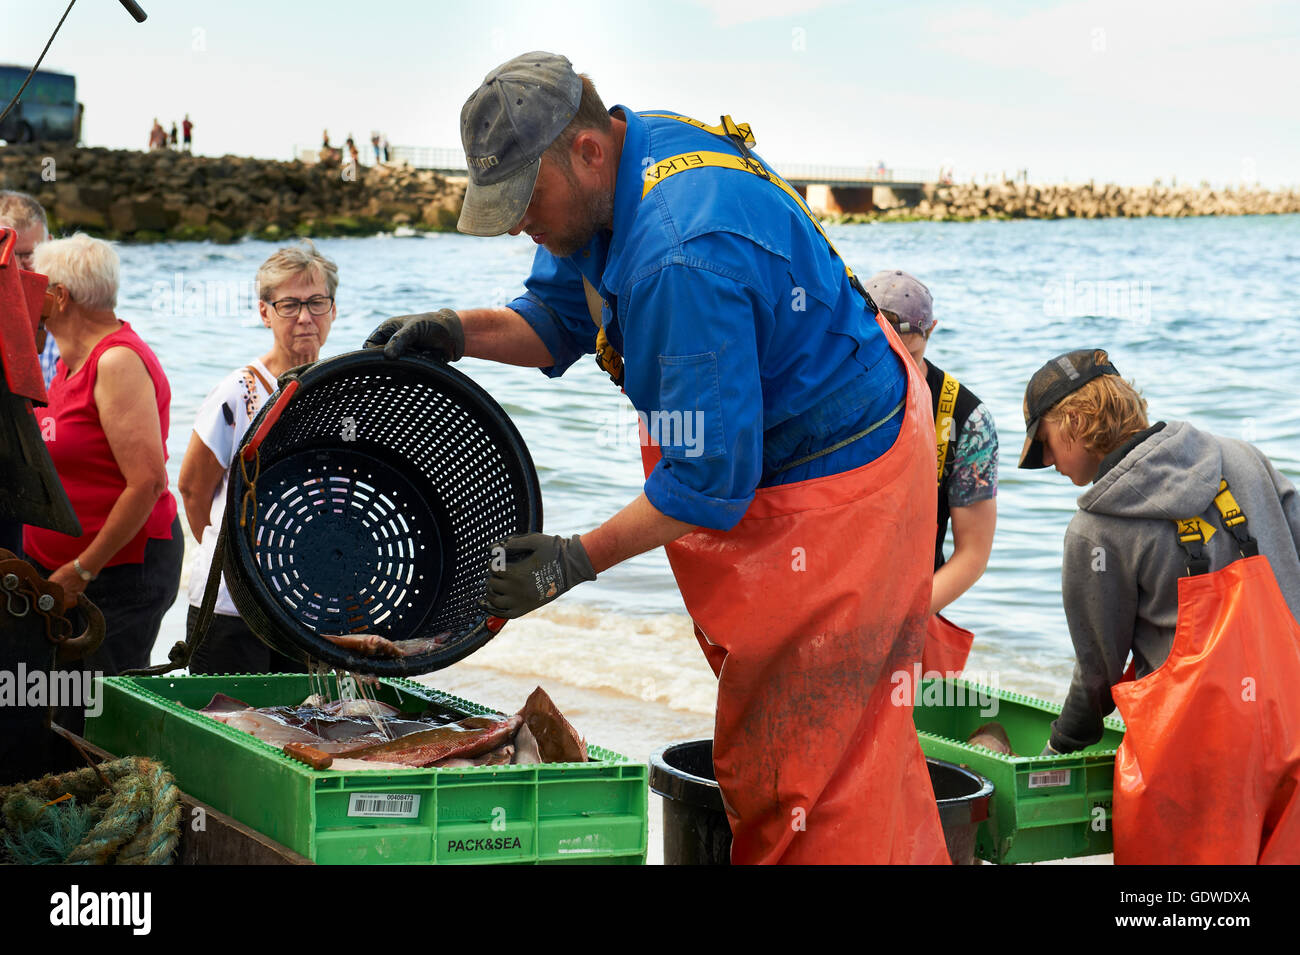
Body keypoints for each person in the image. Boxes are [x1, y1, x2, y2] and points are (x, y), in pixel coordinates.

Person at [366, 52, 949, 864]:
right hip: (769, 437)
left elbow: (708, 481)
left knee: (810, 771)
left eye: (523, 201)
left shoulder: (682, 253)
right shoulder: (615, 176)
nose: (514, 225)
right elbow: (561, 316)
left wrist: (571, 560)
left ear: (587, 151)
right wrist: (458, 331)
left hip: (845, 476)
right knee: (822, 741)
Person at [1020, 348, 1300, 863]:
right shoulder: (1243, 457)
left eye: (1045, 443)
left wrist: (1056, 750)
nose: (1048, 464)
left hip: (1196, 760)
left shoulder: (1095, 532)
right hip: (1292, 725)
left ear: (1076, 425)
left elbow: (1097, 676)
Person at [23, 234, 183, 681]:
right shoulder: (66, 363)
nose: (27, 294)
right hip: (68, 574)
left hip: (118, 575)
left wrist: (81, 569)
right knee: (52, 707)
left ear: (60, 297)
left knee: (98, 715)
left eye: (37, 285)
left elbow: (148, 483)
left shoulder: (115, 362)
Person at [178, 242, 338, 674]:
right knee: (227, 725)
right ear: (265, 313)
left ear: (333, 311)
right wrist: (232, 560)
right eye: (289, 305)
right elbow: (193, 490)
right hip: (229, 607)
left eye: (316, 303)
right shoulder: (239, 393)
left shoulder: (339, 393)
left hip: (307, 608)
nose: (305, 318)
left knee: (301, 730)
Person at [865, 269, 997, 673]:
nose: (897, 372)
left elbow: (972, 554)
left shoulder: (968, 420)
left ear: (932, 331)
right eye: (883, 355)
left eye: (912, 356)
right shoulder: (822, 392)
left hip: (911, 615)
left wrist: (900, 619)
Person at [0, 191, 57, 388]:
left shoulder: (76, 313)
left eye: (30, 255)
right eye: (10, 255)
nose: (20, 267)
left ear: (50, 245)